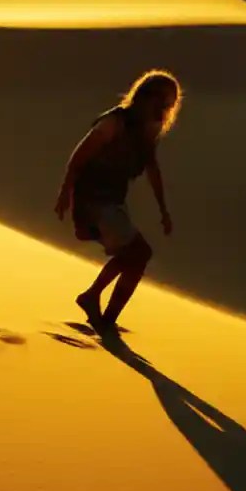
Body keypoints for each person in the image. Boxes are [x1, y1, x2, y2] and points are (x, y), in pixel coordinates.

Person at [54, 69, 183, 333]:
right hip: (93, 197)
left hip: (113, 199)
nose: (166, 108)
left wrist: (163, 210)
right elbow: (80, 156)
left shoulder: (148, 129)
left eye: (171, 103)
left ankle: (99, 308)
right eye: (163, 100)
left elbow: (152, 167)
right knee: (139, 253)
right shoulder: (114, 122)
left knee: (134, 256)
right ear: (147, 97)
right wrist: (65, 193)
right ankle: (98, 307)